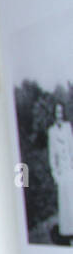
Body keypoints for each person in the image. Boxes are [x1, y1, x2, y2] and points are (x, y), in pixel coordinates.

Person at [48, 102, 73, 244]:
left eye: (61, 112)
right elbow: (52, 156)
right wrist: (55, 175)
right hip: (61, 173)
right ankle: (68, 235)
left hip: (70, 169)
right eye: (57, 112)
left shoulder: (68, 127)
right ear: (54, 114)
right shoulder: (51, 132)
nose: (59, 115)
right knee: (65, 205)